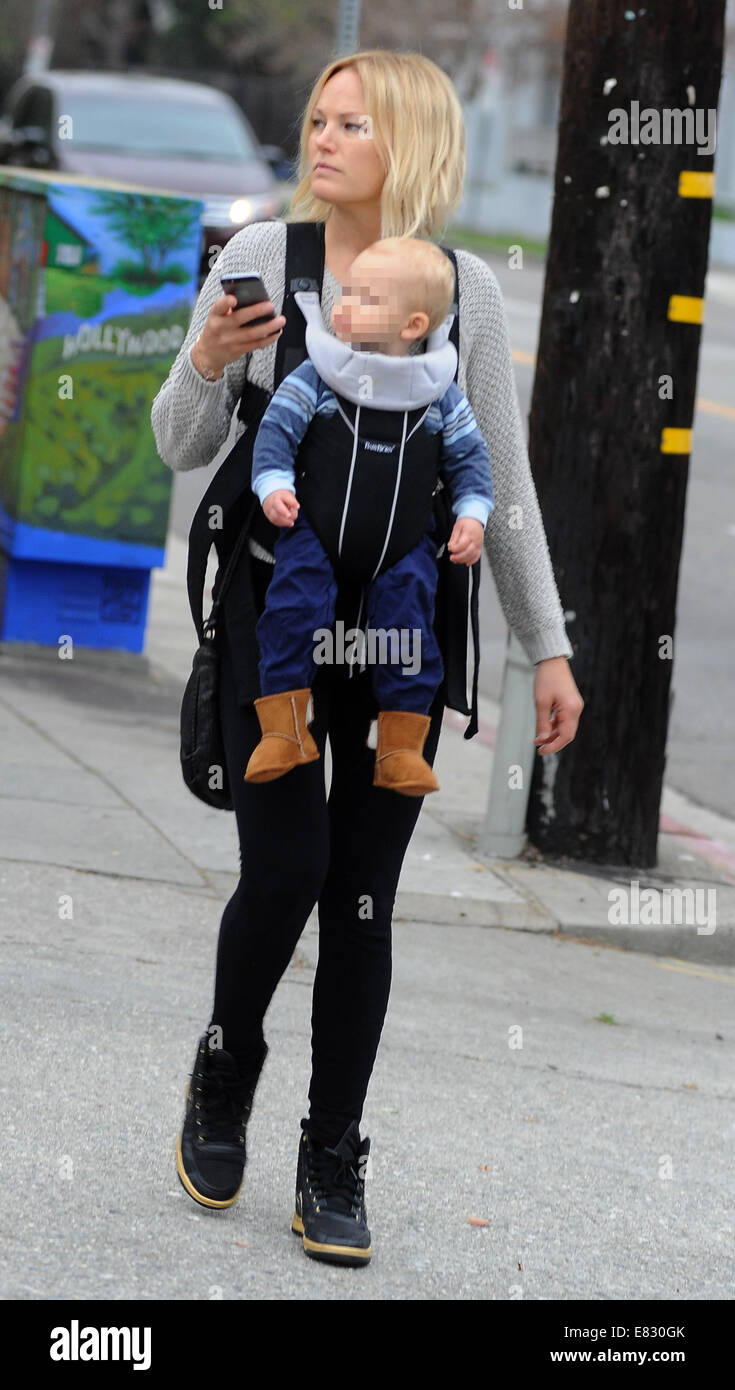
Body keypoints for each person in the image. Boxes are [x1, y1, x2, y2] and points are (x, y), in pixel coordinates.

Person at [150, 49, 584, 1269]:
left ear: (412, 141)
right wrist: (208, 360)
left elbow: (503, 488)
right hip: (273, 620)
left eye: (354, 122)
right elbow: (179, 446)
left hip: (399, 635)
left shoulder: (468, 294)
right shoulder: (254, 261)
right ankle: (227, 1068)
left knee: (362, 896)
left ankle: (332, 1155)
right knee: (286, 865)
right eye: (317, 119)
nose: (324, 139)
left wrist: (545, 648)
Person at [244, 234, 494, 795]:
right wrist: (274, 485)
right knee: (292, 608)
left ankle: (400, 746)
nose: (341, 305)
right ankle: (283, 730)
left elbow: (471, 462)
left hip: (405, 540)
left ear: (413, 326)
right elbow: (276, 434)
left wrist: (472, 516)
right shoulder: (318, 375)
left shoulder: (440, 395)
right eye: (344, 293)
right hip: (314, 530)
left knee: (409, 626)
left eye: (362, 297)